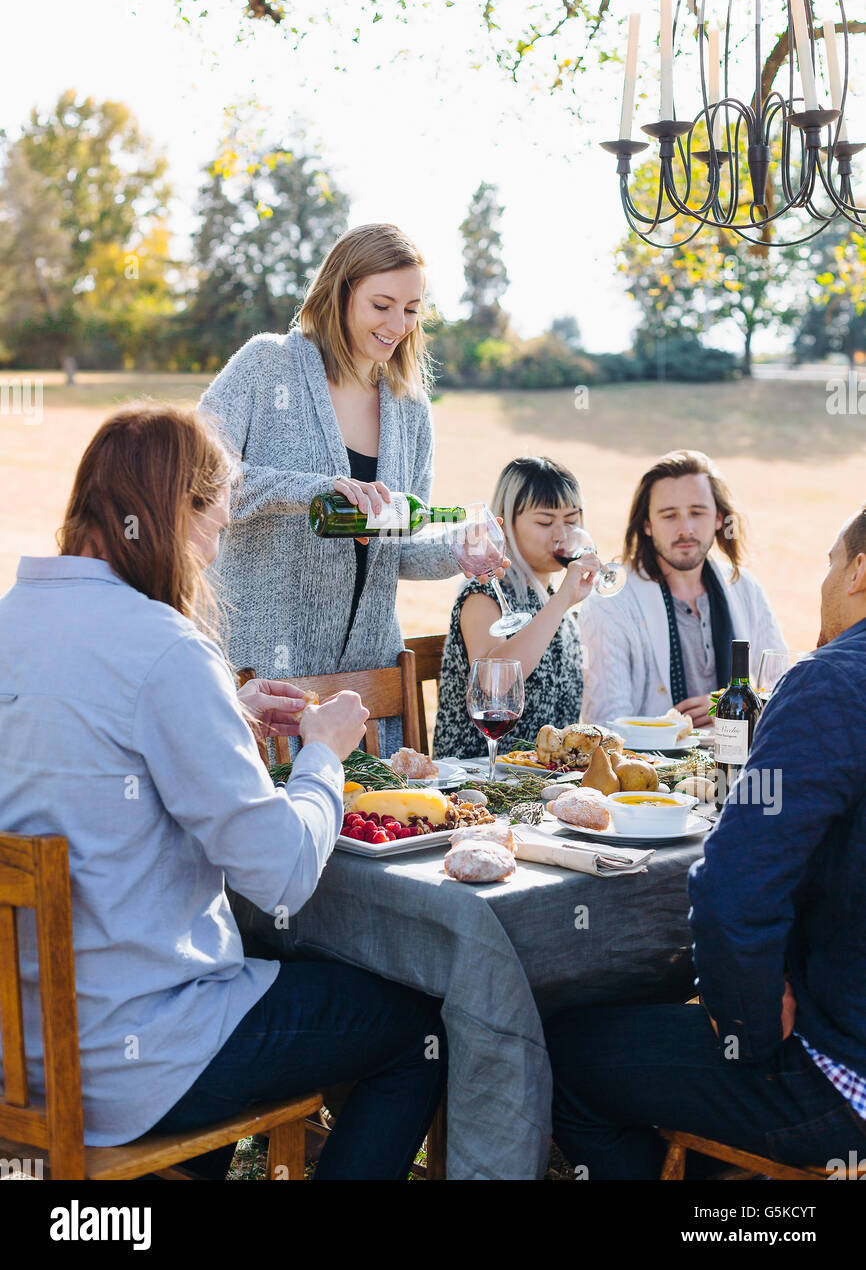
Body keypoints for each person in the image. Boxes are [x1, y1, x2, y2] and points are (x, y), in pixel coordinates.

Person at [0, 404, 445, 1179]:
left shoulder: (17, 623)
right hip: (133, 1063)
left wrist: (222, 715)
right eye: (214, 527)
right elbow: (278, 875)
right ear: (174, 513)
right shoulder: (164, 650)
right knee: (423, 1025)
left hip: (21, 1050)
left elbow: (77, 747)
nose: (211, 557)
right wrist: (325, 755)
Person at [544, 505, 866, 1178]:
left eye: (832, 563)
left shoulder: (830, 685)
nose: (826, 580)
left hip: (840, 1081)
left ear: (860, 572)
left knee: (555, 1051)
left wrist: (746, 1029)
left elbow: (732, 892)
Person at [198, 222, 500, 757]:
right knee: (274, 834)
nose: (397, 324)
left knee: (373, 828)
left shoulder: (411, 409)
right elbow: (198, 481)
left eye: (411, 309)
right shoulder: (265, 366)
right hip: (265, 672)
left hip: (366, 680)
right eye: (381, 304)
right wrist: (312, 490)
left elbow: (400, 542)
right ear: (340, 294)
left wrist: (458, 551)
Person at [580, 449, 785, 728]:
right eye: (669, 515)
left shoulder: (745, 588)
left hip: (743, 763)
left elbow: (784, 689)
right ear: (647, 525)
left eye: (697, 512)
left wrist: (725, 704)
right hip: (650, 768)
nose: (685, 529)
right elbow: (605, 723)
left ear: (718, 518)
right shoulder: (611, 602)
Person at [433, 457, 599, 759]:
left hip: (542, 779)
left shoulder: (553, 598)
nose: (561, 534)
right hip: (480, 778)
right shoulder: (484, 594)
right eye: (545, 522)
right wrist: (561, 600)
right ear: (506, 525)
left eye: (572, 520)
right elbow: (496, 687)